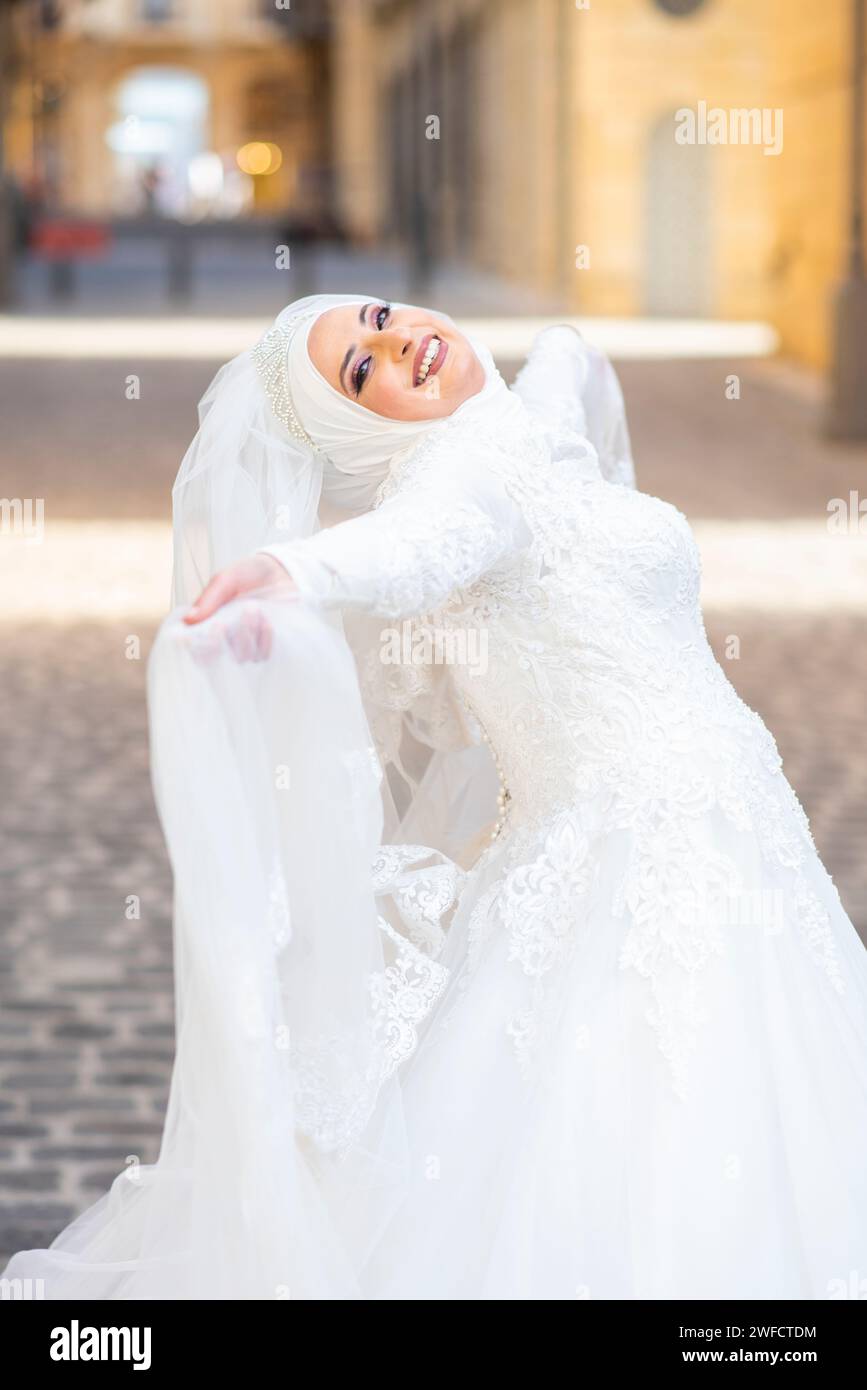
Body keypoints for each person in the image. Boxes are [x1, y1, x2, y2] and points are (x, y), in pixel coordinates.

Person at [4, 294, 866, 1300]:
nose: (394, 343)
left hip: (738, 825)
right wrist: (293, 570)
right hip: (642, 863)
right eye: (363, 373)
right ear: (363, 432)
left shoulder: (514, 428)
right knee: (685, 1117)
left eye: (378, 317)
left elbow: (565, 357)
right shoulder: (459, 478)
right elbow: (412, 546)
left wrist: (567, 356)